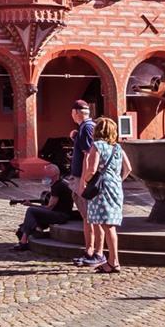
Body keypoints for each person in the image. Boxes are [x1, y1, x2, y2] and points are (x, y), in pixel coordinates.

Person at [80, 116, 131, 274]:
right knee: (109, 225)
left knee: (107, 226)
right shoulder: (117, 148)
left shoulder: (97, 146)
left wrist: (86, 180)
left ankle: (114, 261)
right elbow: (128, 168)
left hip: (102, 188)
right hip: (115, 187)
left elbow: (92, 169)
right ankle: (112, 260)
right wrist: (117, 180)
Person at [67, 100, 102, 266]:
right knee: (87, 217)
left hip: (83, 179)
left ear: (76, 112)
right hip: (81, 178)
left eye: (72, 112)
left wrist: (83, 181)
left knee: (90, 217)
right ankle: (90, 250)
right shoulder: (86, 127)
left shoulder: (87, 127)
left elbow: (89, 155)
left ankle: (95, 252)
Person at [14, 176, 74, 249]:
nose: (44, 176)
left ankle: (24, 241)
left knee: (31, 210)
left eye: (47, 174)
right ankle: (35, 230)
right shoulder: (61, 184)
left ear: (53, 175)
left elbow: (49, 207)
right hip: (60, 213)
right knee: (21, 230)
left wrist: (31, 204)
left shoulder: (57, 187)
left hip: (60, 215)